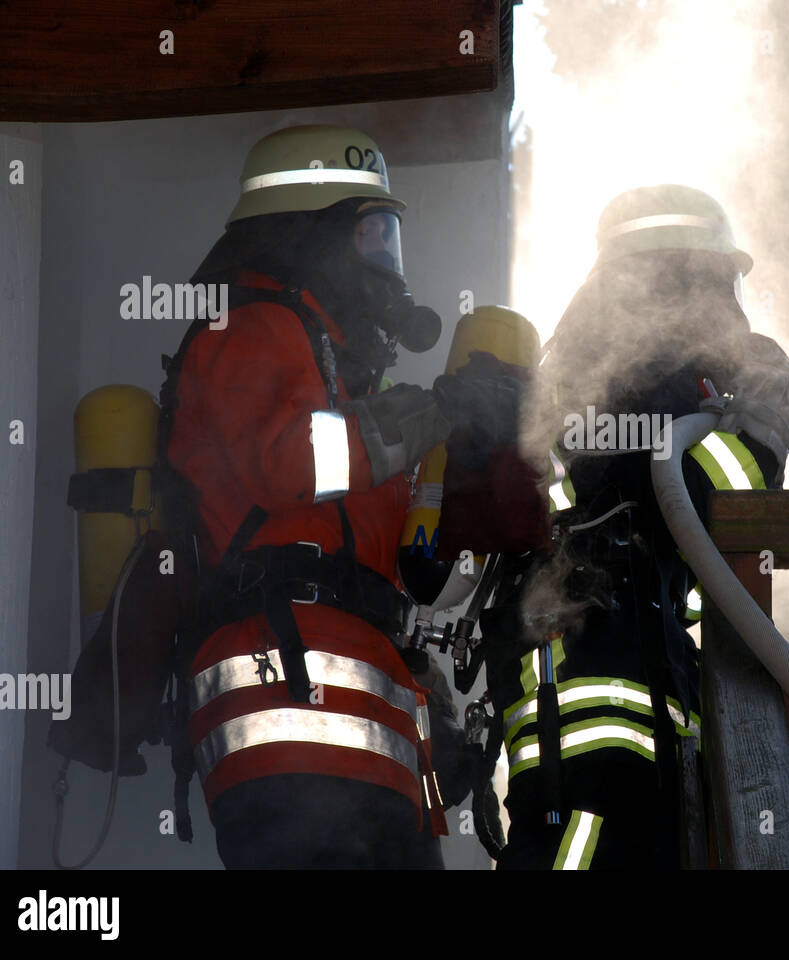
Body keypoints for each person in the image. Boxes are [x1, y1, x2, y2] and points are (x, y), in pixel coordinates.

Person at [159, 124, 519, 868]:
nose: (389, 262)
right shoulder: (250, 327)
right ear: (309, 236)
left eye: (393, 237)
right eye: (371, 236)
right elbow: (291, 461)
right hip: (284, 715)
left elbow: (393, 584)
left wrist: (430, 716)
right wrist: (440, 409)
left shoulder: (348, 383)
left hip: (364, 739)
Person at [479, 184, 789, 869]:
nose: (725, 307)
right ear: (680, 277)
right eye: (716, 282)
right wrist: (764, 433)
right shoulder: (638, 375)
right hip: (594, 674)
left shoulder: (608, 366)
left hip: (620, 677)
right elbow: (700, 501)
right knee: (582, 843)